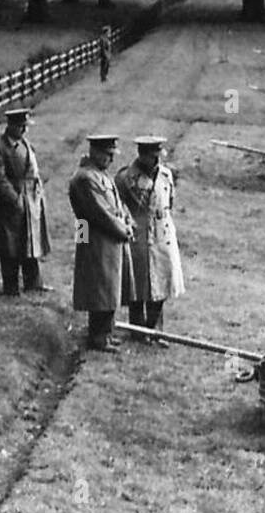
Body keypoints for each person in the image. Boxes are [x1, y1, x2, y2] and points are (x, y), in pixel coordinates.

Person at [69, 134, 135, 352]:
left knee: (109, 287)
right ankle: (98, 336)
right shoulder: (85, 178)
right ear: (95, 152)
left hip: (105, 237)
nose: (111, 159)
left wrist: (127, 220)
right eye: (108, 155)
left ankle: (105, 332)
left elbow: (117, 205)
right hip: (96, 237)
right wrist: (123, 230)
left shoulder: (100, 175)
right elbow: (101, 213)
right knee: (100, 286)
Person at [115, 136, 185, 333]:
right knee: (138, 283)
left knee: (162, 280)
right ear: (141, 155)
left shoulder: (165, 175)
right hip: (139, 235)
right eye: (151, 157)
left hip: (163, 233)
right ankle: (138, 329)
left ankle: (155, 329)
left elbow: (169, 202)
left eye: (158, 156)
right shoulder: (126, 177)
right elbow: (118, 206)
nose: (156, 161)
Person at [0, 108, 52, 296]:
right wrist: (14, 199)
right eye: (21, 126)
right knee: (10, 244)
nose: (24, 130)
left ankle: (33, 282)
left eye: (25, 126)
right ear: (11, 125)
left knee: (31, 241)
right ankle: (11, 286)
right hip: (11, 201)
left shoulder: (25, 144)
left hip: (30, 199)